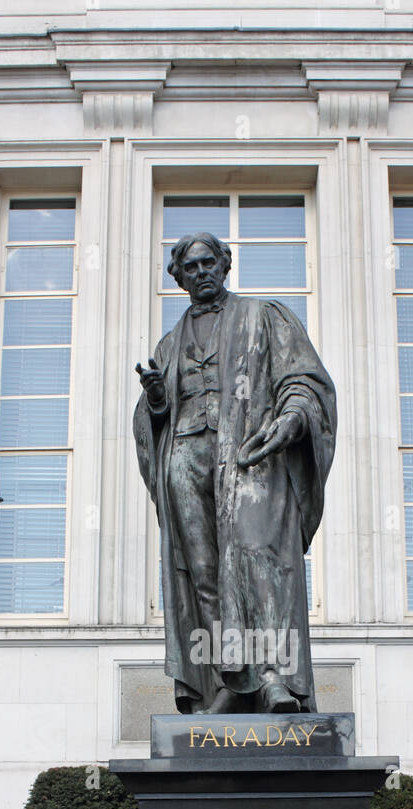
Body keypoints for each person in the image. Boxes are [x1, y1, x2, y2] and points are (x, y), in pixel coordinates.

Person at [133, 232, 336, 714]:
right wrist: (159, 399)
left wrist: (293, 417)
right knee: (202, 571)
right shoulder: (168, 344)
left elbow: (303, 378)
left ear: (225, 266)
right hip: (185, 455)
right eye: (190, 267)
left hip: (247, 453)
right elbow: (149, 421)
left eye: (209, 263)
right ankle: (228, 679)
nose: (201, 272)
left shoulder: (264, 317)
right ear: (178, 278)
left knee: (255, 557)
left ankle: (272, 677)